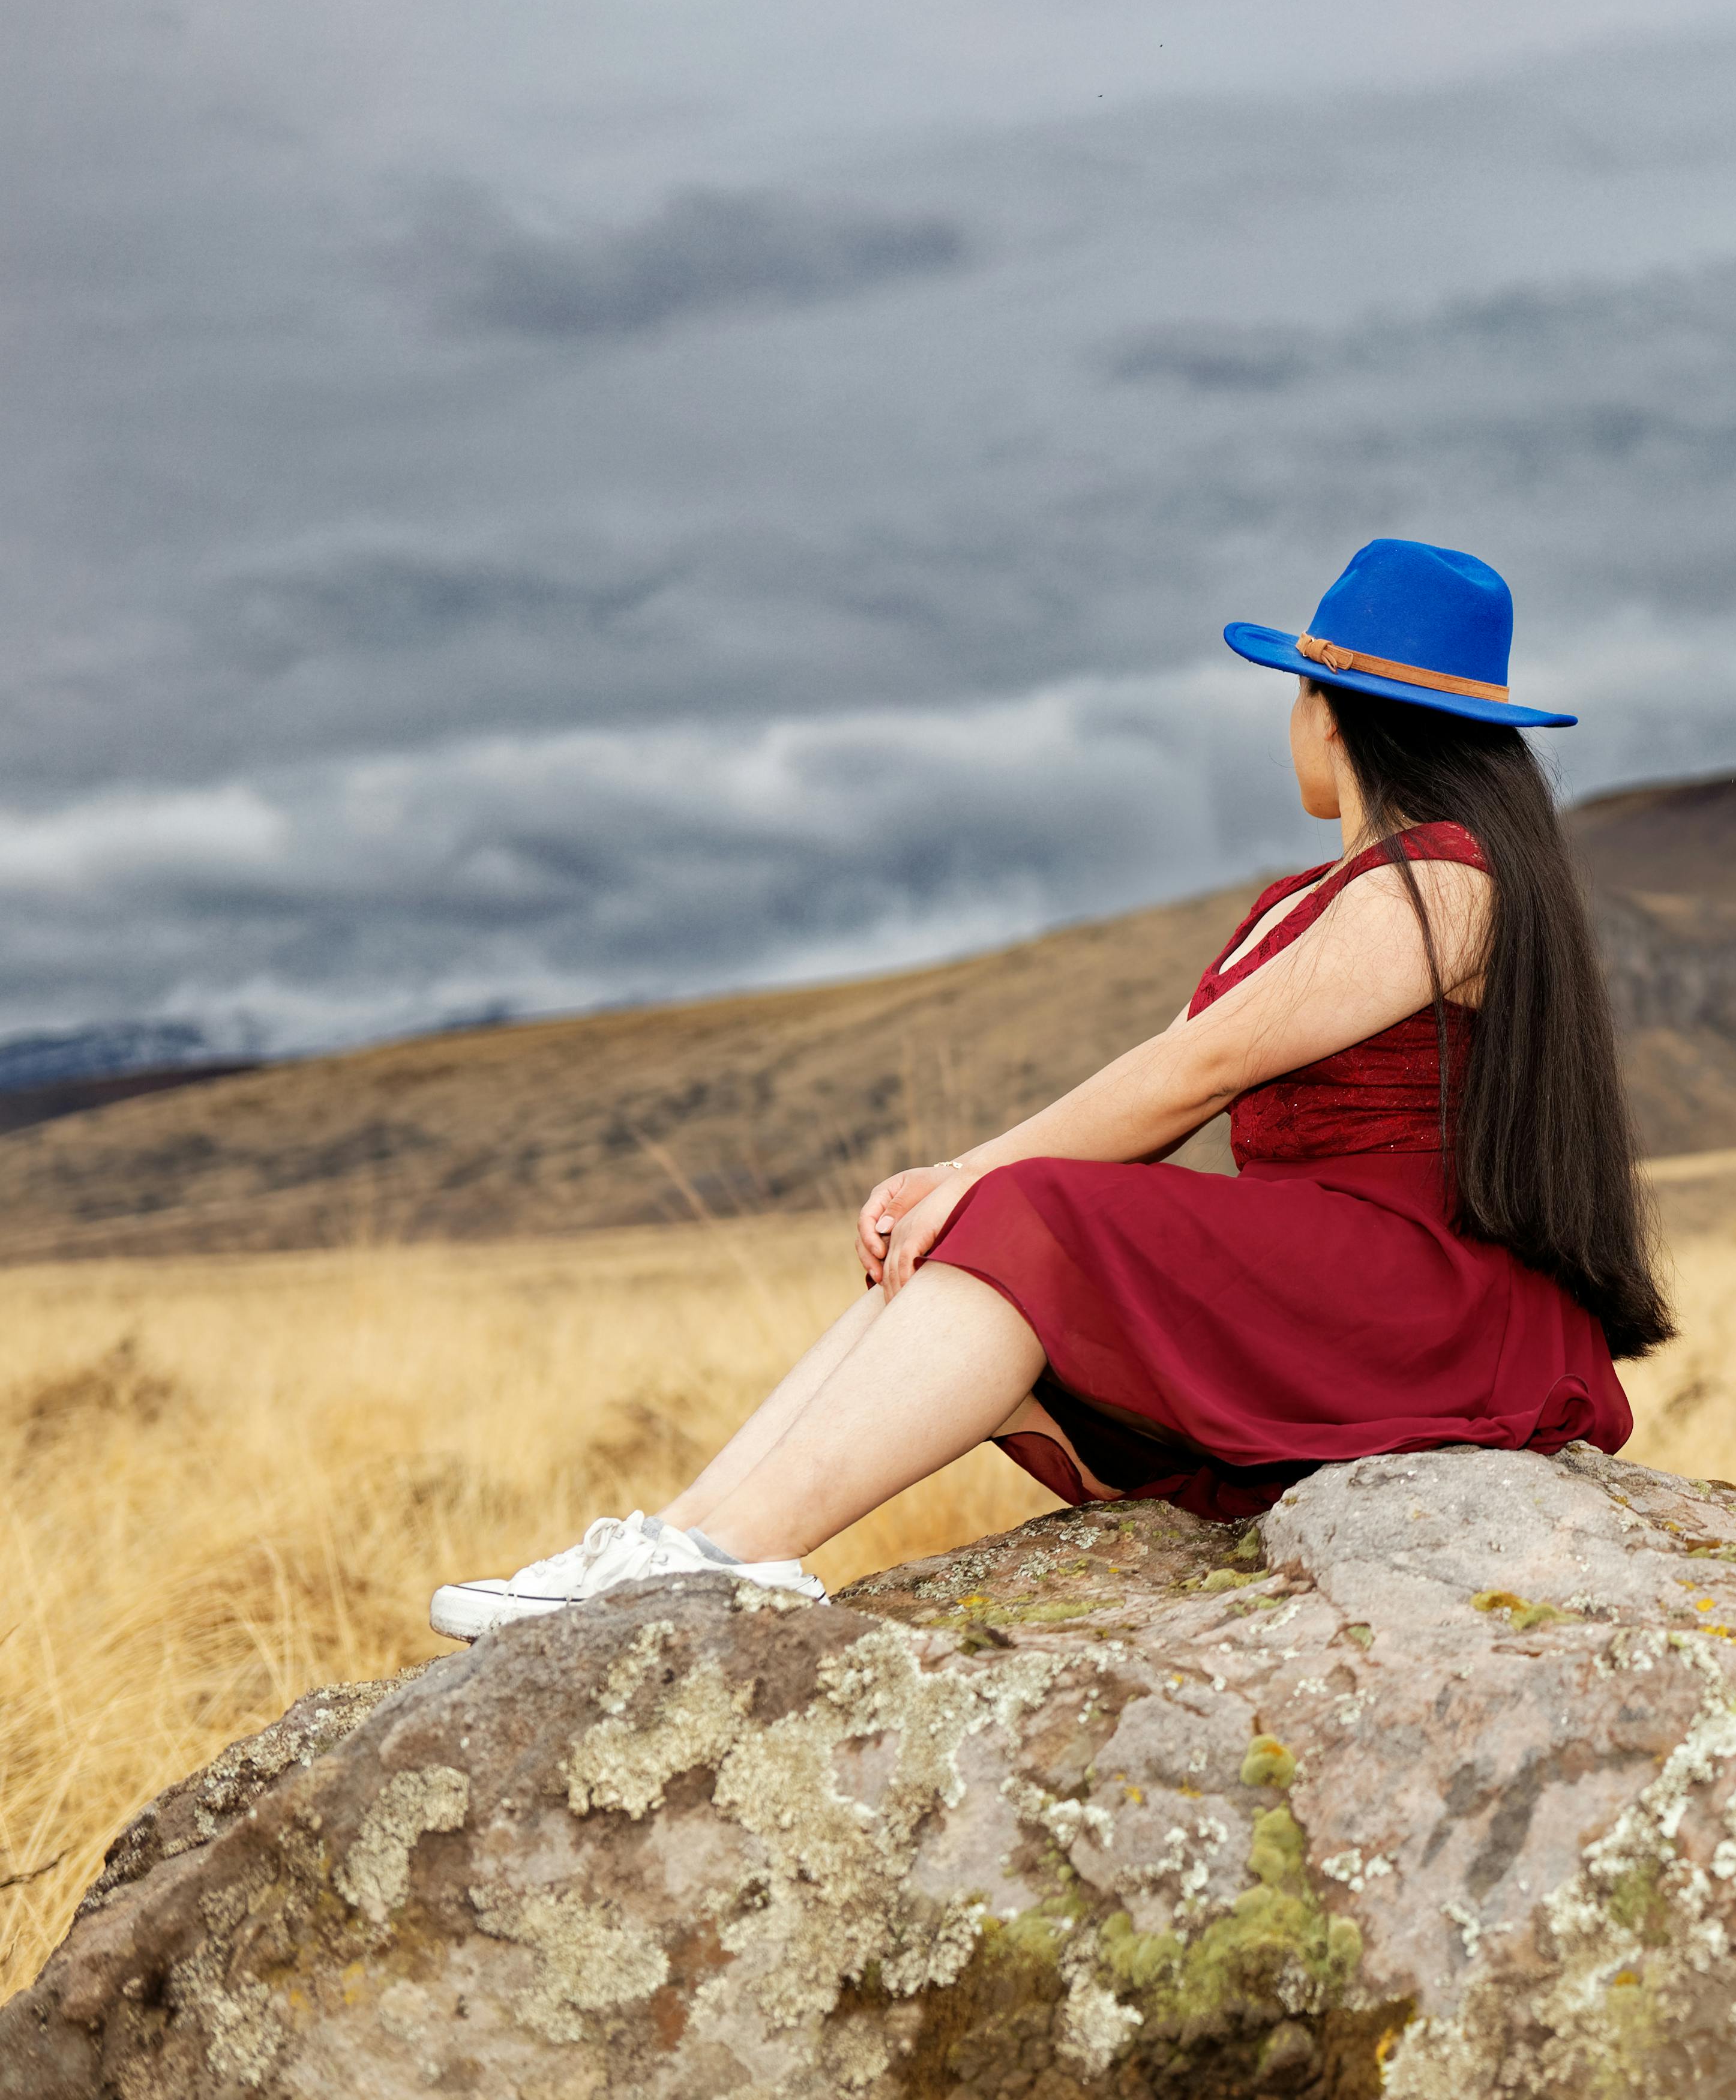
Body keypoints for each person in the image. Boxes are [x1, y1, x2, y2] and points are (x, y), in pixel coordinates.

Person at [432, 538, 1667, 1640]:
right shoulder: (1318, 893)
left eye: (1294, 690)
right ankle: (684, 1536)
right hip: (1338, 1272)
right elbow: (1171, 1077)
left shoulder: (1446, 880)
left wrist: (975, 1172)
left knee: (1030, 1210)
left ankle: (731, 1552)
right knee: (987, 1222)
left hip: (1416, 1282)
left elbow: (1200, 1067)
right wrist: (958, 1187)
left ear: (1330, 712)